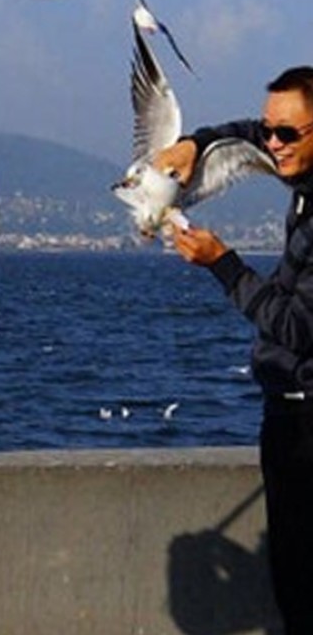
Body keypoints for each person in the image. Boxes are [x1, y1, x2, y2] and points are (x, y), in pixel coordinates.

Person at [156, 65, 313, 632]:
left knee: (303, 596)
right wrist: (195, 144)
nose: (272, 144)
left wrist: (221, 264)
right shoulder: (299, 173)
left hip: (306, 425)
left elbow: (296, 327)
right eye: (272, 131)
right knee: (292, 588)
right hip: (288, 414)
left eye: (288, 135)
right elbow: (249, 132)